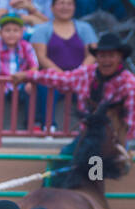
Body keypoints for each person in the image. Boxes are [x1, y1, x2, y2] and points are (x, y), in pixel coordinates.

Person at [22, 32, 135, 148]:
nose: (106, 60)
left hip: (116, 142)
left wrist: (115, 141)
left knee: (111, 164)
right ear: (97, 57)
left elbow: (130, 125)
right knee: (62, 158)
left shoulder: (130, 84)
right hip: (87, 136)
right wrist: (28, 75)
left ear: (120, 58)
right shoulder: (87, 73)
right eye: (102, 56)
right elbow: (61, 78)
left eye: (111, 56)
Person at [29, 0, 95, 129]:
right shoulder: (42, 29)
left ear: (75, 7)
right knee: (44, 87)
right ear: (52, 8)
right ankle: (48, 126)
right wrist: (62, 75)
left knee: (93, 87)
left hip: (81, 76)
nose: (65, 7)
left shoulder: (85, 28)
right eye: (61, 3)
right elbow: (41, 57)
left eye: (69, 4)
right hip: (53, 77)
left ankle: (88, 127)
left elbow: (93, 54)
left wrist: (77, 74)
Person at [0, 14, 41, 130]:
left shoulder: (26, 46)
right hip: (0, 82)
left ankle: (33, 123)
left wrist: (29, 80)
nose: (11, 34)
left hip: (21, 83)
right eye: (7, 30)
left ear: (22, 32)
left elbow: (34, 66)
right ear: (0, 33)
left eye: (16, 30)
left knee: (32, 89)